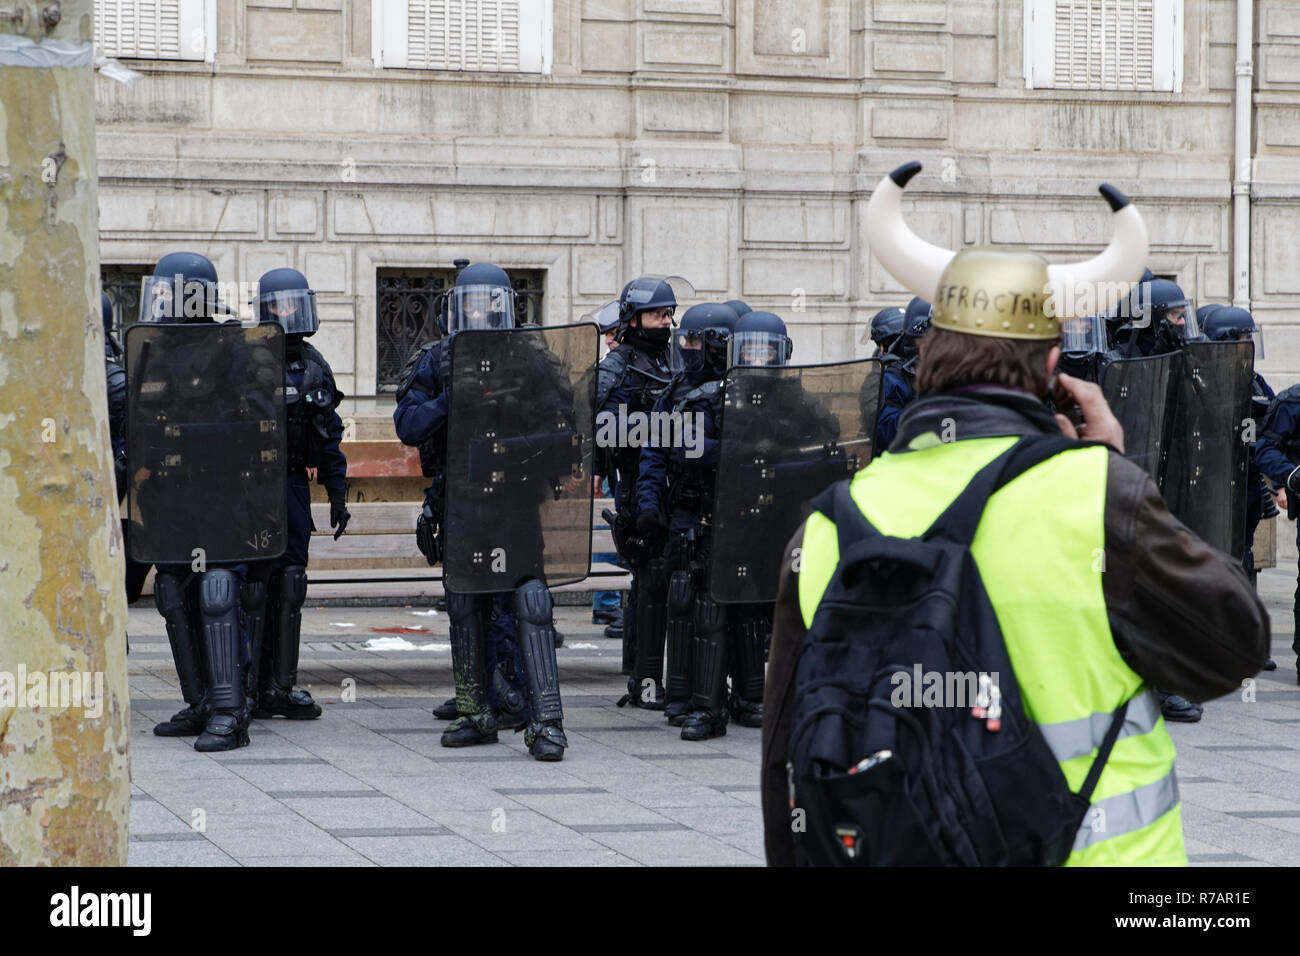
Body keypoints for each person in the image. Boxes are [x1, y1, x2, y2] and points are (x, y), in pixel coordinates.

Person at [762, 163, 1269, 865]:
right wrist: (1116, 469)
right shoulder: (1094, 497)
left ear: (926, 359)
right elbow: (1232, 647)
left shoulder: (827, 525)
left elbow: (786, 761)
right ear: (1055, 366)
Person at [394, 262, 572, 761]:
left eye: (487, 304)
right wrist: (451, 401)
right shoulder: (439, 358)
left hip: (515, 501)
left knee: (529, 602)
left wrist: (516, 440)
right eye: (469, 303)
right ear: (456, 308)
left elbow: (565, 432)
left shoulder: (530, 360)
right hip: (462, 502)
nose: (478, 312)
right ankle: (476, 711)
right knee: (465, 603)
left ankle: (546, 721)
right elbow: (407, 424)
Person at [136, 251, 282, 752]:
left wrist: (195, 437)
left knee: (219, 590)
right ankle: (198, 701)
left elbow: (264, 428)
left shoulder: (236, 350)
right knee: (174, 592)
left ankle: (229, 711)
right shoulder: (152, 349)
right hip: (169, 498)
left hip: (223, 493)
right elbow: (135, 424)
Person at [244, 268, 350, 720]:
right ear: (266, 307)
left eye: (294, 304)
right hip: (249, 488)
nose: (287, 313)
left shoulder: (314, 365)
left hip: (290, 485)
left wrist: (338, 493)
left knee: (291, 584)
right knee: (253, 588)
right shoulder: (244, 358)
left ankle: (280, 687)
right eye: (279, 305)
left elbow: (328, 436)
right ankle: (244, 687)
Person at [634, 302, 739, 723]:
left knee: (722, 608)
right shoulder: (674, 392)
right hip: (684, 512)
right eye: (687, 339)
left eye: (695, 339)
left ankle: (719, 698)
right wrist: (646, 507)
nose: (687, 346)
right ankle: (679, 695)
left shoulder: (743, 389)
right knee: (680, 600)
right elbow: (654, 453)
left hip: (730, 513)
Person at [597, 276, 680, 706]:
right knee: (649, 578)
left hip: (675, 482)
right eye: (656, 315)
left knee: (670, 580)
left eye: (668, 314)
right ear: (633, 320)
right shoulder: (617, 365)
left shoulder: (674, 359)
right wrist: (654, 428)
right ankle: (645, 679)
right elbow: (600, 428)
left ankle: (660, 677)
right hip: (634, 484)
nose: (665, 322)